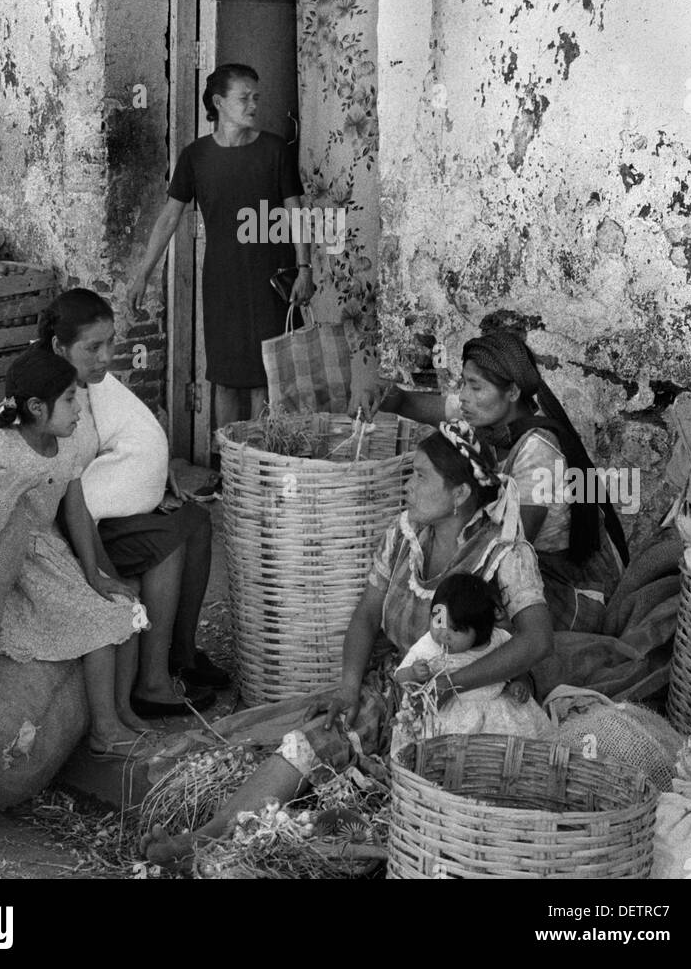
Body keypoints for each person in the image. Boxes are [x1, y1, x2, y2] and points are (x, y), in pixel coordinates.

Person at [140, 420, 553, 863]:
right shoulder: (404, 536)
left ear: (460, 496)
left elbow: (537, 640)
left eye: (420, 476)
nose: (408, 487)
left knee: (424, 799)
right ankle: (203, 839)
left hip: (471, 703)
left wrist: (453, 684)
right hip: (399, 686)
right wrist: (350, 686)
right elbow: (366, 616)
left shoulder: (503, 554)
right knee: (310, 741)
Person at [0, 345, 152, 759]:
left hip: (52, 554)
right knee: (100, 622)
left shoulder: (72, 443)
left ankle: (122, 712)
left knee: (127, 606)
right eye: (71, 400)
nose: (79, 409)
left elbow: (75, 508)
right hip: (15, 562)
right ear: (38, 407)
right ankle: (104, 732)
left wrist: (93, 574)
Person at [36, 288, 229, 718]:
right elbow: (71, 487)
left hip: (106, 502)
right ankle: (152, 683)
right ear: (58, 347)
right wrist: (94, 571)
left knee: (197, 521)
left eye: (111, 343)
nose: (107, 357)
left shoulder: (82, 383)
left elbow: (113, 439)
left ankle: (182, 653)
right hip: (84, 520)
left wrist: (160, 468)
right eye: (94, 347)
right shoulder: (56, 397)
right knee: (168, 542)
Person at [126, 63, 314, 447]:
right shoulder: (196, 156)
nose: (253, 105)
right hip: (222, 280)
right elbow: (168, 219)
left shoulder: (274, 150)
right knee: (225, 378)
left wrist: (305, 269)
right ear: (218, 102)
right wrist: (144, 272)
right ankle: (228, 466)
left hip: (271, 280)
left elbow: (297, 214)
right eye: (244, 98)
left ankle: (260, 463)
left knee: (267, 376)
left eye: (256, 98)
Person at [458, 329, 629, 632]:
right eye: (463, 384)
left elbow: (508, 546)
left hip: (571, 588)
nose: (463, 396)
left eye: (474, 387)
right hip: (535, 567)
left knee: (471, 623)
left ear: (511, 392)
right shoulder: (494, 419)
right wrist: (396, 400)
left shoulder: (538, 450)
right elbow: (427, 408)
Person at [391, 571, 551, 753]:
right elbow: (399, 676)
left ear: (480, 629)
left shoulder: (498, 640)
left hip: (497, 716)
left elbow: (517, 667)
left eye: (456, 629)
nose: (443, 633)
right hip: (449, 719)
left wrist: (518, 683)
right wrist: (412, 672)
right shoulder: (428, 646)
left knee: (509, 754)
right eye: (438, 620)